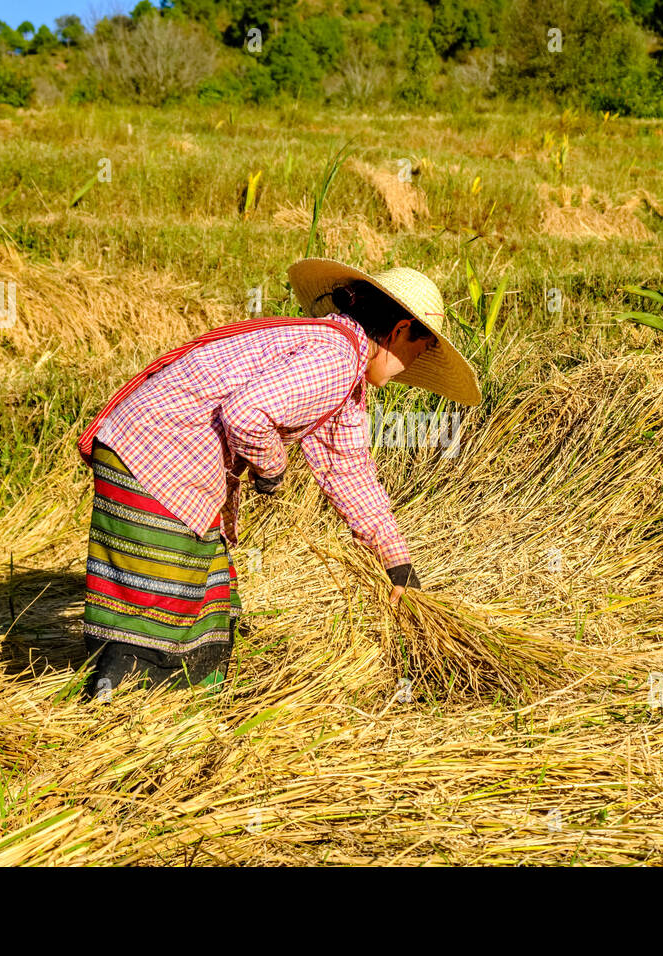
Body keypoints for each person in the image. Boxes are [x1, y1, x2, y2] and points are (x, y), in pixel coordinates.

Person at [78, 258, 482, 699]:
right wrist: (272, 470)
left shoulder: (341, 364)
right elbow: (246, 416)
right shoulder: (334, 359)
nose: (411, 367)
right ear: (402, 330)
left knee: (209, 592)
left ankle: (161, 693)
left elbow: (348, 470)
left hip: (143, 449)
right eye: (419, 352)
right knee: (164, 602)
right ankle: (124, 695)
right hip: (159, 454)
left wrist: (398, 565)